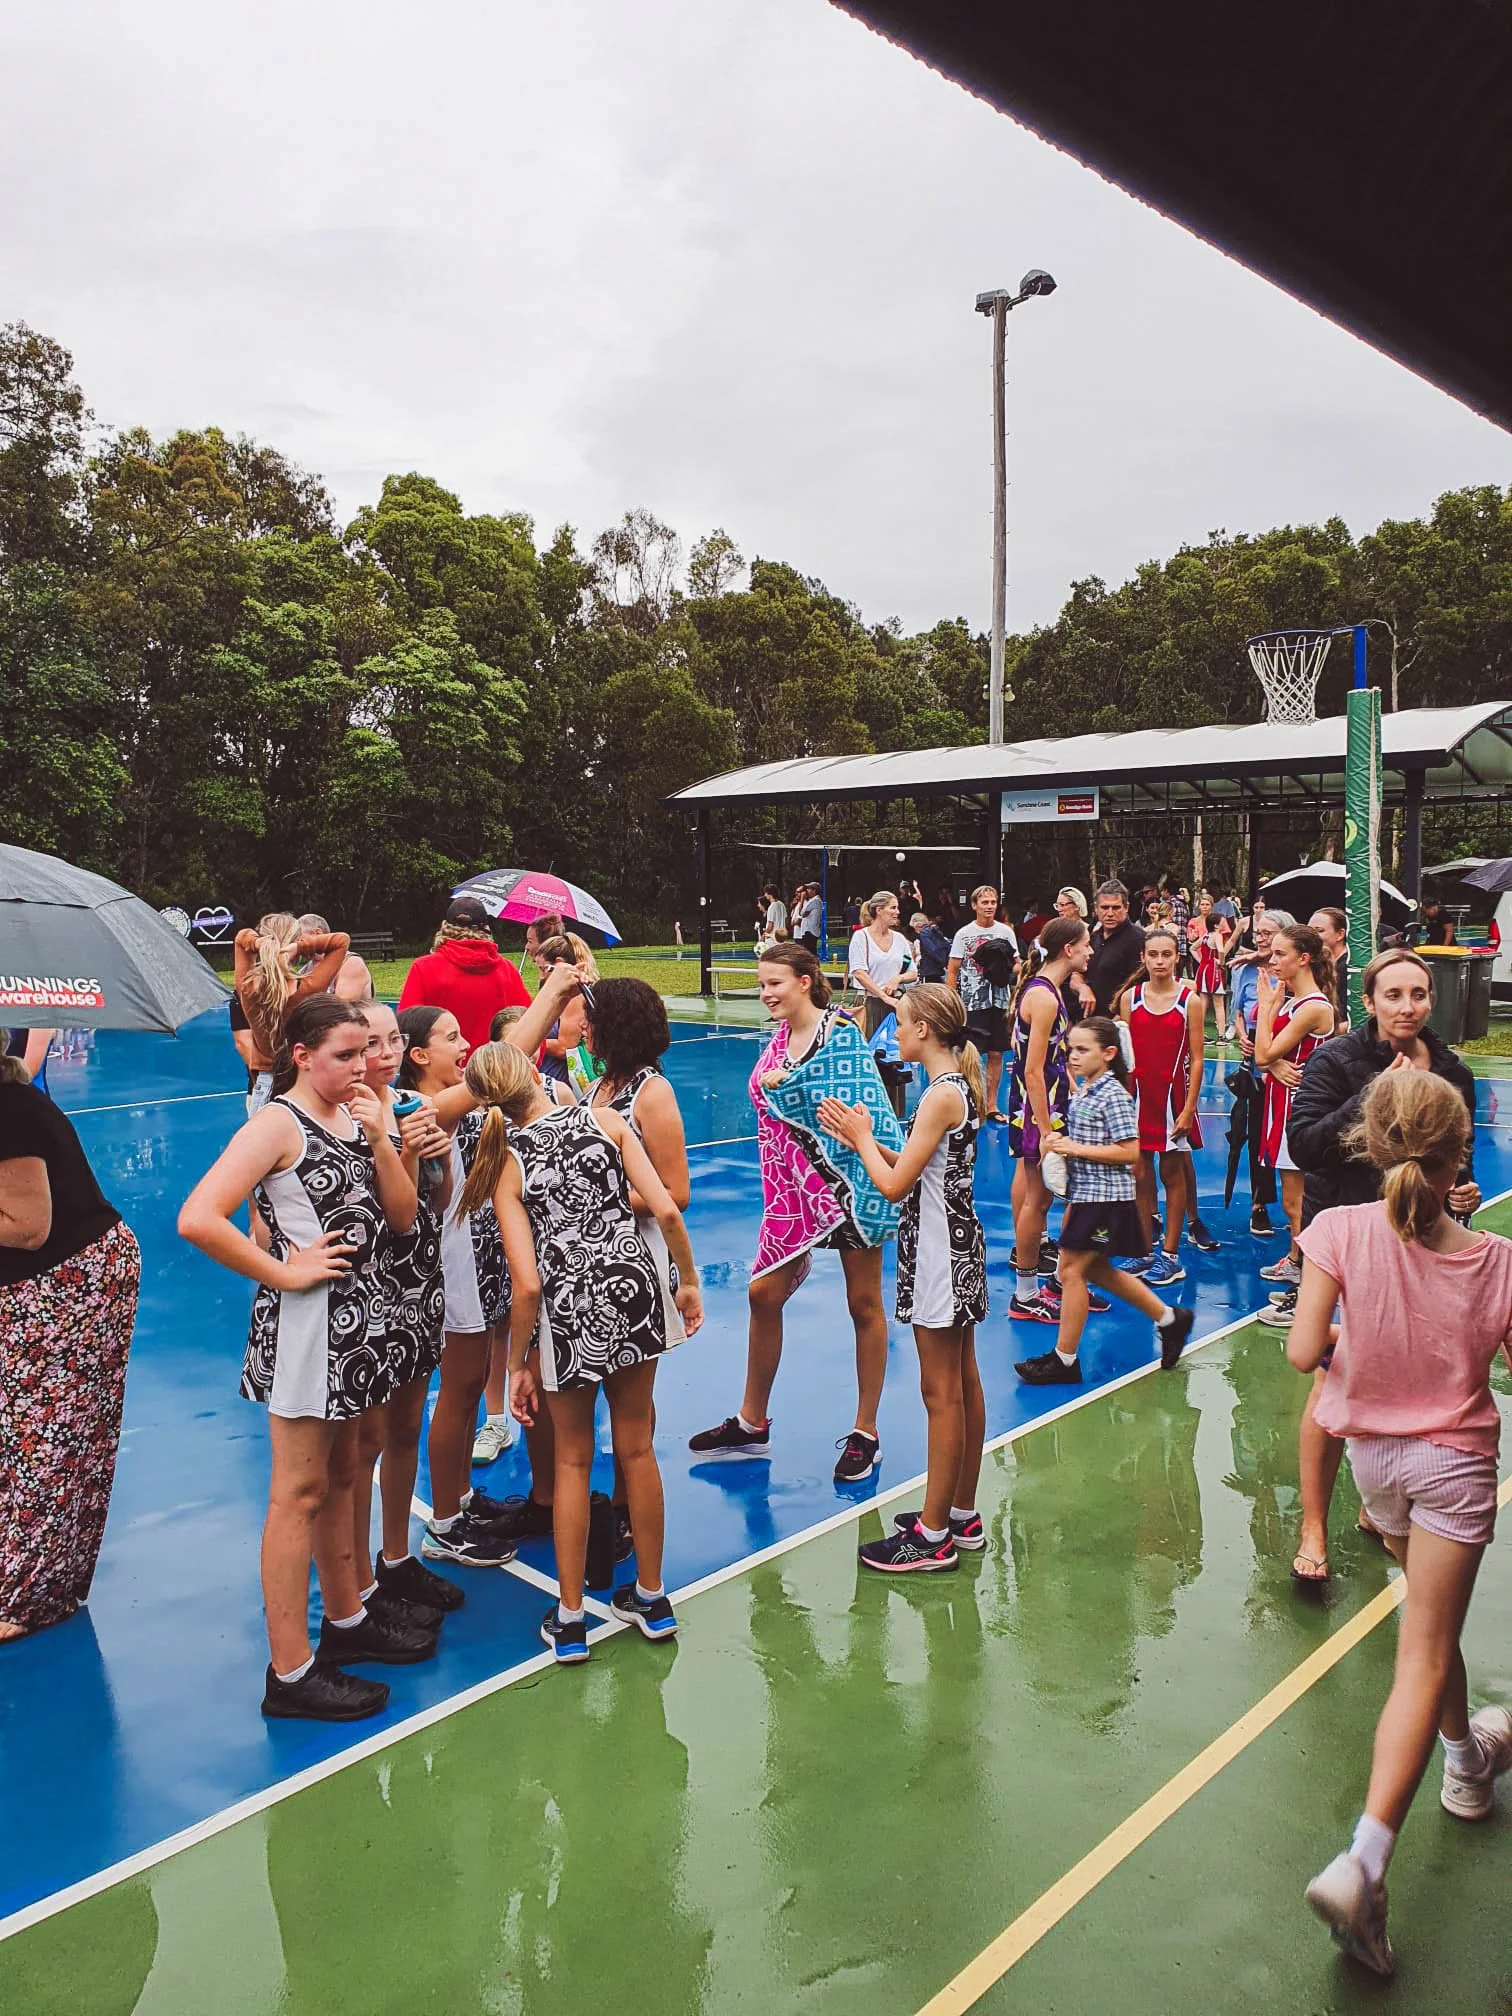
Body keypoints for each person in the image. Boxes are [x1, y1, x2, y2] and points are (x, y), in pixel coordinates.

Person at [1291, 1070, 1512, 1978]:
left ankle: (1467, 1760)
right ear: (1462, 1156)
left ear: (1370, 1147)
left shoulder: (1336, 1232)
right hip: (1452, 1466)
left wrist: (1363, 1333)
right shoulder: (1493, 1258)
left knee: (1429, 1625)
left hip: (1375, 1468)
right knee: (1423, 1648)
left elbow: (1306, 1351)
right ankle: (1365, 1863)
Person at [178, 996, 430, 1722]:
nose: (361, 1066)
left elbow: (404, 1217)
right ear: (300, 1055)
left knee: (344, 1476)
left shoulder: (353, 1115)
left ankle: (346, 1623)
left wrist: (385, 1137)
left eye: (364, 1053)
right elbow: (198, 1216)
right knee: (299, 1493)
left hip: (358, 1330)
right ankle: (288, 1671)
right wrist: (284, 1271)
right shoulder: (275, 1126)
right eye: (345, 1055)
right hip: (309, 1333)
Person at [459, 1041, 703, 1666]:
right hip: (635, 1290)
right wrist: (688, 1280)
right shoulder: (608, 1120)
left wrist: (516, 1364)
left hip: (568, 1312)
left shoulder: (506, 1163)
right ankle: (651, 1597)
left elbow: (528, 1284)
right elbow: (668, 1209)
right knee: (638, 1448)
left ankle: (570, 1622)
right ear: (536, 1075)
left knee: (570, 1463)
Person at [1285, 949, 1479, 1582]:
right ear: (1368, 1002)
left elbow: (1458, 1154)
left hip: (1424, 1244)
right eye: (1393, 995)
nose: (1408, 1006)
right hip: (1353, 1242)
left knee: (1404, 1375)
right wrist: (1373, 1095)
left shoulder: (1449, 1068)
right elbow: (1305, 1145)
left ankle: (1381, 1508)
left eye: (1418, 994)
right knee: (1333, 1380)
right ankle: (1314, 1526)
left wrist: (1463, 1191)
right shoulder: (1338, 1060)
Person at [687, 943, 903, 1482]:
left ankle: (865, 1431)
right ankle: (752, 1420)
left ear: (805, 981)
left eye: (775, 983)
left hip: (848, 1181)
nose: (766, 994)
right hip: (792, 1190)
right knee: (762, 1293)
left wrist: (793, 1086)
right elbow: (769, 1096)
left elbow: (861, 1109)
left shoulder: (841, 1035)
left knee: (863, 1305)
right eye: (762, 986)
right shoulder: (780, 1039)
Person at [817, 985, 988, 1573]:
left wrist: (863, 1139)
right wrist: (860, 1140)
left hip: (940, 1251)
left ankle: (933, 1533)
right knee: (963, 1382)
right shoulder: (952, 1088)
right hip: (954, 1242)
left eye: (900, 1022)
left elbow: (893, 1186)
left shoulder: (942, 1095)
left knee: (940, 1392)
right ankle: (960, 1513)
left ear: (925, 1032)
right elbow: (906, 1171)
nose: (893, 1030)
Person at [0, 1054, 141, 1642]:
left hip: (68, 1283)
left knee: (47, 1440)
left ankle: (29, 1594)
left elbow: (27, 1227)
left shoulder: (11, 1111)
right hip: (35, 1286)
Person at [348, 1002, 459, 1628]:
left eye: (392, 1040)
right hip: (370, 1292)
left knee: (405, 1429)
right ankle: (360, 1579)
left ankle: (396, 1556)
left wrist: (432, 1153)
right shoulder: (341, 1121)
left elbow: (434, 1203)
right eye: (371, 1043)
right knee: (364, 1441)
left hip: (420, 1282)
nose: (385, 1053)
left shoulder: (413, 1108)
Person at [1015, 1018, 1194, 1386]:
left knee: (1071, 1272)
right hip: (1087, 1196)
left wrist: (1074, 1148)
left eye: (1083, 1050)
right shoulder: (1086, 1090)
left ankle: (1065, 1359)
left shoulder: (1112, 1094)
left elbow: (1130, 1152)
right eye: (1071, 1048)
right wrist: (1059, 1147)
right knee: (1096, 1271)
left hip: (1105, 1200)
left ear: (1109, 1054)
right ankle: (1170, 1319)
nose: (1073, 1056)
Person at [1005, 917, 1090, 1324]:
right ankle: (1025, 1293)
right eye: (1085, 944)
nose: (1091, 951)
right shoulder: (1045, 998)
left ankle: (1053, 1282)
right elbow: (1032, 1070)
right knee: (1038, 1201)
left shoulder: (1043, 988)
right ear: (1068, 949)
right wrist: (1046, 1130)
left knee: (1044, 1198)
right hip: (1040, 1108)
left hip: (1048, 1103)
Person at [1253, 923, 1336, 1328]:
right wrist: (1269, 1059)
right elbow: (1260, 1053)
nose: (1273, 960)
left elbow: (1264, 1049)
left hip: (1298, 1110)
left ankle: (1308, 1288)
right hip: (1279, 1105)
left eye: (1281, 954)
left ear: (1304, 958)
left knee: (1300, 1203)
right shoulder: (1295, 1003)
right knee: (1292, 1202)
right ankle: (1296, 1263)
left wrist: (1268, 1008)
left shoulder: (1313, 1007)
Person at [1118, 925, 1208, 1287]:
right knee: (1140, 1175)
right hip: (1137, 1100)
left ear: (1177, 957)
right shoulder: (1131, 998)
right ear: (1143, 957)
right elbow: (1123, 1056)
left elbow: (1198, 1060)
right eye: (1152, 954)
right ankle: (1143, 1250)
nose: (1159, 961)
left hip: (1171, 1102)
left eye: (1166, 954)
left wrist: (1188, 1109)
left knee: (1172, 1175)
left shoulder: (1191, 1001)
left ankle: (1170, 1255)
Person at [234, 913, 353, 1115]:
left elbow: (240, 938)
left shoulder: (248, 989)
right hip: (305, 1080)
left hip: (266, 1082)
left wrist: (259, 943)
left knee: (265, 1144)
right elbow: (342, 940)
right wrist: (301, 946)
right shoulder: (308, 988)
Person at [1228, 908, 1295, 1237]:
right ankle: (1259, 1204)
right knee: (1257, 1137)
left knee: (1289, 1136)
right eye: (1258, 932)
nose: (1260, 937)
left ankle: (1296, 1204)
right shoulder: (1245, 970)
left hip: (1284, 1063)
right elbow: (1238, 1012)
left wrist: (1273, 1055)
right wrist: (1241, 1034)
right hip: (1254, 1064)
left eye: (1268, 933)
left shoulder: (1293, 970)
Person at [398, 896, 531, 1055]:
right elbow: (531, 1026)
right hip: (496, 1070)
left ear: (445, 927)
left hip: (439, 1070)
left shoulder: (423, 968)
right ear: (486, 929)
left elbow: (406, 1029)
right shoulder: (506, 970)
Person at [946, 885, 1020, 1119]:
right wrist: (952, 1002)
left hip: (999, 999)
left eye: (993, 902)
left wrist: (1006, 969)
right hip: (972, 1001)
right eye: (984, 902)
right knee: (971, 1054)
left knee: (997, 1053)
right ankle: (971, 1103)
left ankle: (991, 1105)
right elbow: (953, 970)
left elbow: (1018, 963)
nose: (989, 906)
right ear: (974, 905)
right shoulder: (964, 934)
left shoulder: (1006, 932)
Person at [848, 889, 918, 1040]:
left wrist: (897, 979)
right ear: (879, 910)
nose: (897, 912)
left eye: (897, 908)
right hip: (870, 1003)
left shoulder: (899, 939)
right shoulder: (861, 937)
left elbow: (913, 972)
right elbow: (859, 973)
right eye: (893, 908)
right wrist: (883, 996)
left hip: (896, 1002)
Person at [1083, 880, 1145, 1018]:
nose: (1110, 913)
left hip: (1119, 1023)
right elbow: (1076, 973)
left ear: (1126, 907)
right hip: (1088, 1021)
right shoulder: (1093, 937)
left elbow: (1142, 990)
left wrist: (1116, 1024)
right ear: (1096, 908)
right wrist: (1083, 988)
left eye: (1116, 908)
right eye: (1105, 907)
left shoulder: (1138, 940)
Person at [295, 912, 373, 1003]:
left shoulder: (351, 963)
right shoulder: (304, 971)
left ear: (318, 933)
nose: (298, 945)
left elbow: (342, 1009)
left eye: (300, 940)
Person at [1192, 898, 1233, 1042]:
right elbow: (1221, 951)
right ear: (1216, 925)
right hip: (1213, 971)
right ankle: (1221, 1036)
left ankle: (1199, 1034)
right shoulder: (1217, 936)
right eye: (1221, 922)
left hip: (1203, 969)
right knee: (1219, 1002)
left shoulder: (1204, 936)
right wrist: (1221, 963)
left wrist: (1202, 961)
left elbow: (1192, 948)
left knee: (1203, 1001)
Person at [1310, 905, 1349, 1026]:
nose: (1312, 936)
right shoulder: (1317, 964)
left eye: (1319, 931)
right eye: (1309, 931)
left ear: (1340, 934)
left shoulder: (1348, 967)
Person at [914, 911, 952, 984]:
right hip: (939, 969)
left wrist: (941, 960)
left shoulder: (924, 933)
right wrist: (945, 962)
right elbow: (947, 946)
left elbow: (932, 950)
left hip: (928, 969)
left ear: (917, 926)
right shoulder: (935, 931)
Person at [795, 884, 824, 953]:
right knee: (811, 952)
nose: (807, 891)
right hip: (810, 931)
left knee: (810, 952)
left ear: (814, 891)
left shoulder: (815, 901)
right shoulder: (813, 900)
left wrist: (802, 898)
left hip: (810, 931)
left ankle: (813, 963)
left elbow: (801, 913)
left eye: (809, 889)